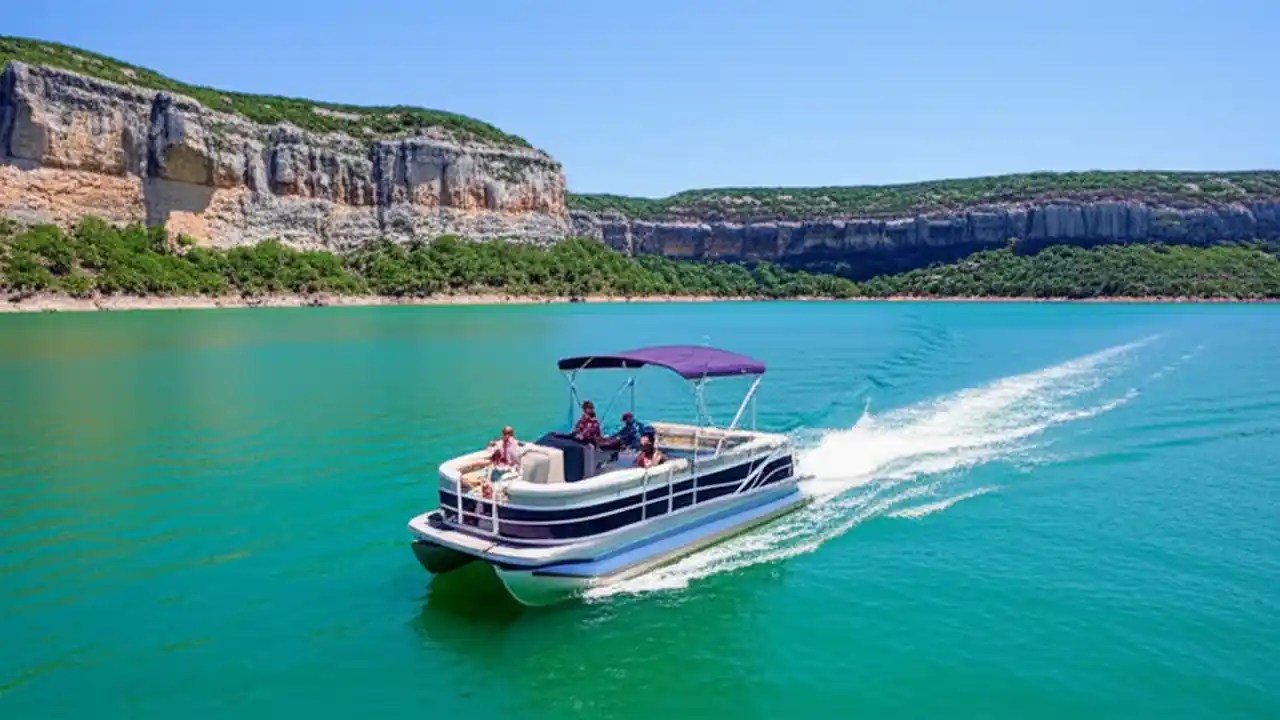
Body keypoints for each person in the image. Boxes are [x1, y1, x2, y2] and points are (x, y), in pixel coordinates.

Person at [460, 426, 520, 494]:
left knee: (464, 479)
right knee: (467, 478)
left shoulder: (501, 444)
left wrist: (492, 446)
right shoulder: (512, 444)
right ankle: (478, 485)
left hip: (500, 471)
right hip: (503, 470)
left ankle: (476, 487)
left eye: (504, 433)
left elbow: (491, 453)